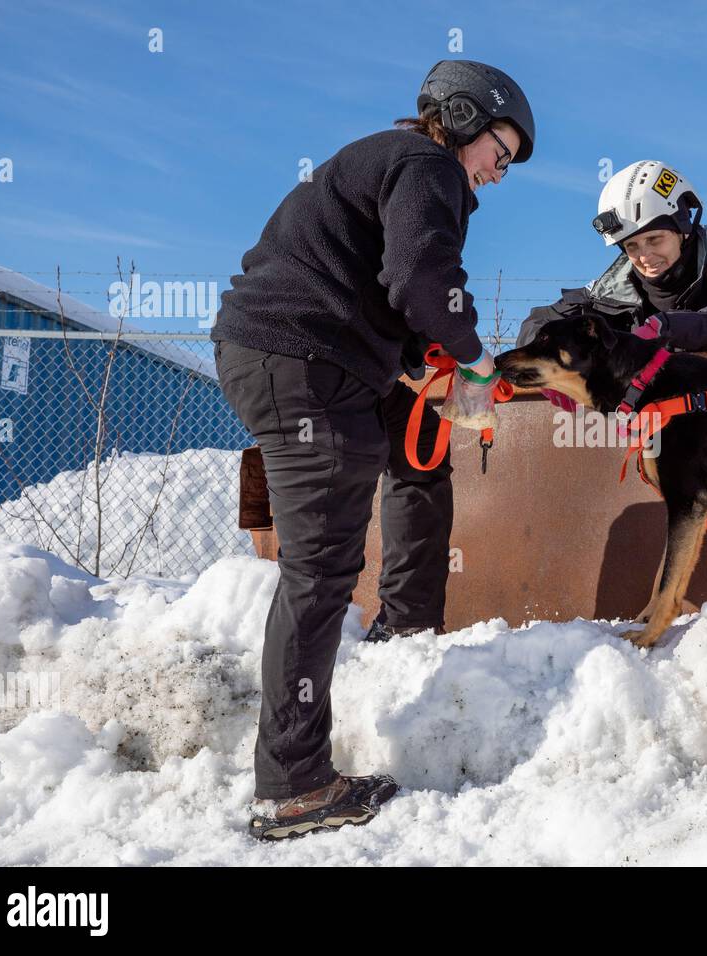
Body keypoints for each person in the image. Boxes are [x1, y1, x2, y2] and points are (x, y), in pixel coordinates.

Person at [210, 59, 535, 840]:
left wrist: (428, 365)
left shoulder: (390, 163)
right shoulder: (427, 165)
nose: (499, 171)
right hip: (305, 365)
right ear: (462, 119)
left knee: (412, 464)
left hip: (310, 360)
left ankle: (405, 626)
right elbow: (423, 276)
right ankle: (292, 786)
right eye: (501, 147)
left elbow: (387, 287)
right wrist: (478, 360)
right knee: (320, 573)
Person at [515, 161, 707, 377]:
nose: (644, 256)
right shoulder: (608, 294)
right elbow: (536, 327)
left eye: (654, 239)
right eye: (632, 246)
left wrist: (668, 328)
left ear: (684, 229)